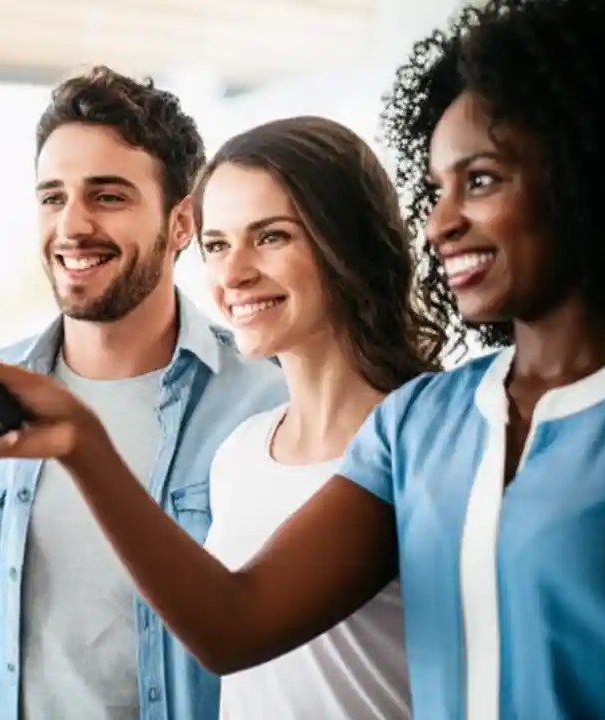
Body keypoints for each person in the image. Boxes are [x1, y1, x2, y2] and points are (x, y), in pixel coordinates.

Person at [0, 0, 605, 717]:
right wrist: (83, 442)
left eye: (480, 181)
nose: (442, 222)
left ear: (592, 166)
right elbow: (235, 624)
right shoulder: (423, 425)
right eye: (438, 188)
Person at [0, 66, 287, 720]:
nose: (72, 226)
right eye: (53, 197)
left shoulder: (266, 403)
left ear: (183, 221)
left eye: (107, 196)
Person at [188, 116, 439, 717]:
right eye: (217, 244)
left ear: (345, 240)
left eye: (270, 236)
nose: (234, 272)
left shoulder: (431, 438)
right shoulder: (239, 453)